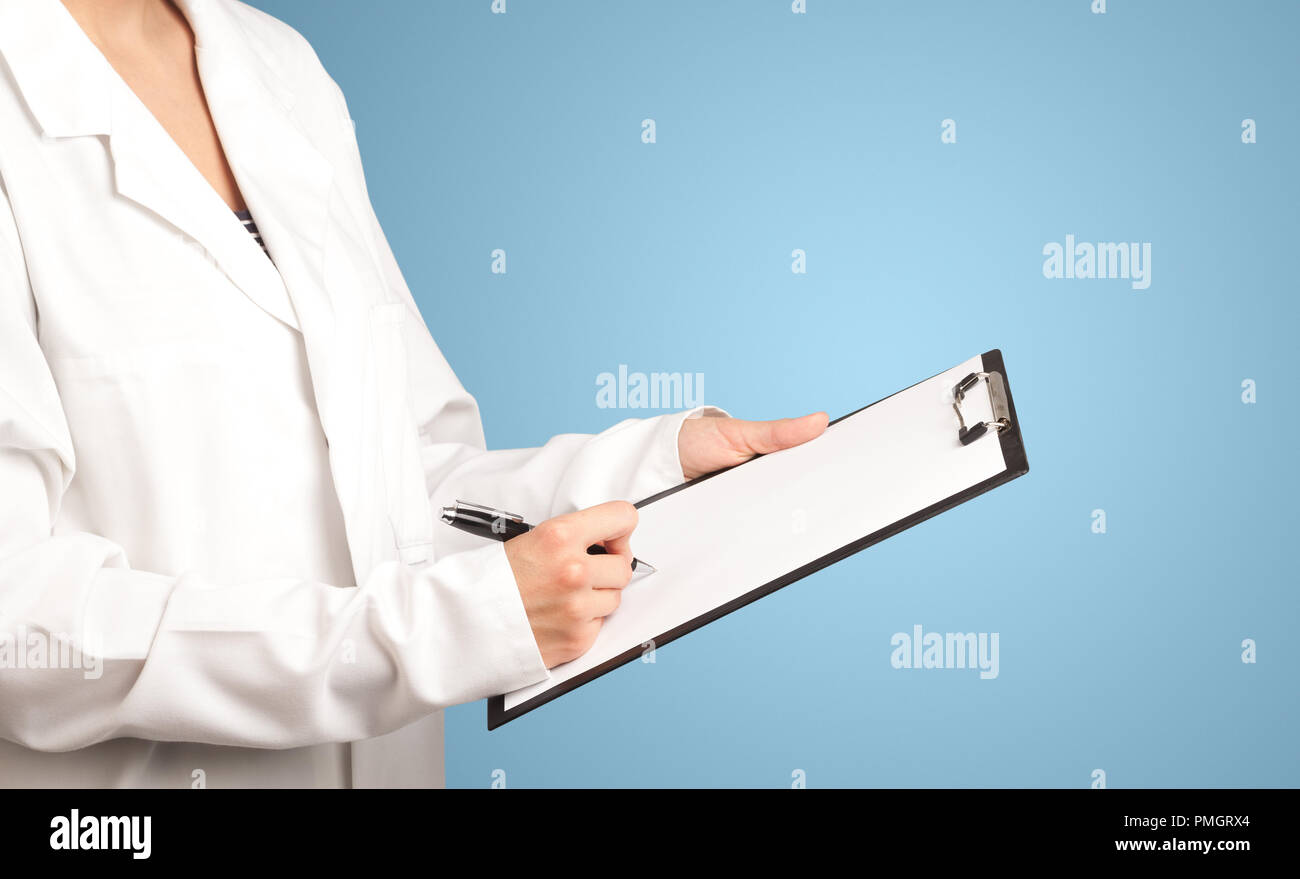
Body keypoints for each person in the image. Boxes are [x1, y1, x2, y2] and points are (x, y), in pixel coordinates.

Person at [0, 0, 827, 788]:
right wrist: (433, 634)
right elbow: (22, 622)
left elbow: (403, 488)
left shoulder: (277, 66)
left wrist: (651, 476)